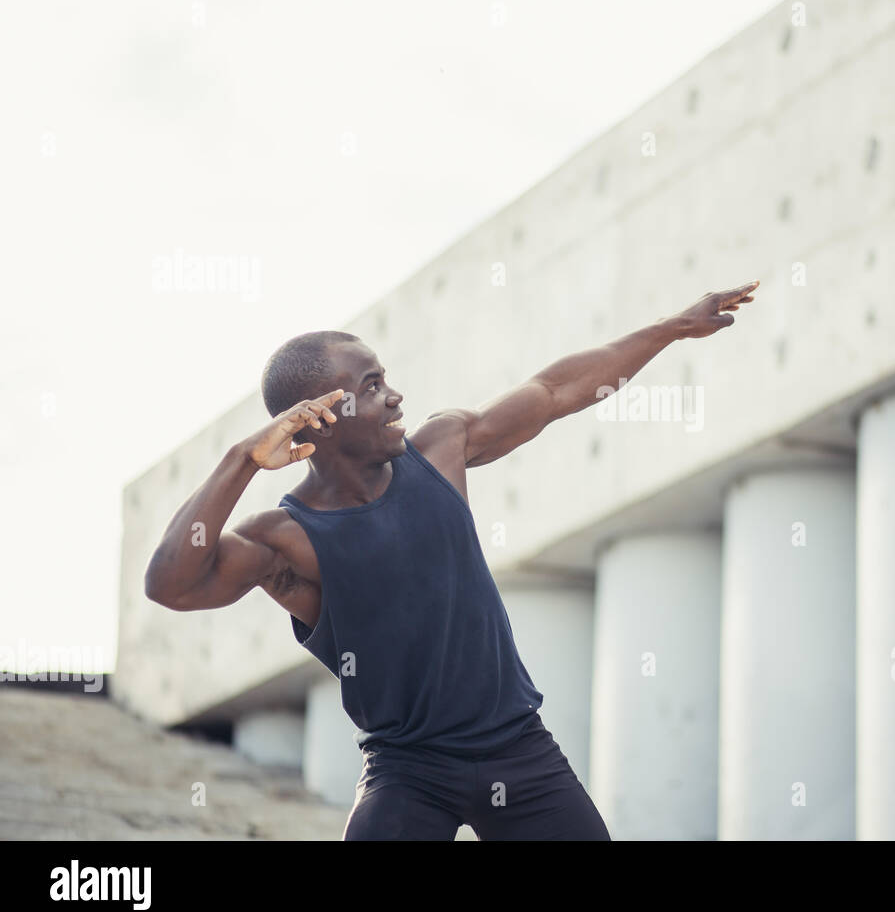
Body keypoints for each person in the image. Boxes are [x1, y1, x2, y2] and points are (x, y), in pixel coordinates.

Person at [143, 281, 758, 839]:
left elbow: (555, 390)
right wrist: (242, 460)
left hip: (519, 751)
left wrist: (673, 327)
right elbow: (171, 585)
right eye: (371, 387)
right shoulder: (284, 539)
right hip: (407, 771)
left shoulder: (442, 449)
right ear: (322, 419)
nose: (395, 396)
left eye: (384, 378)